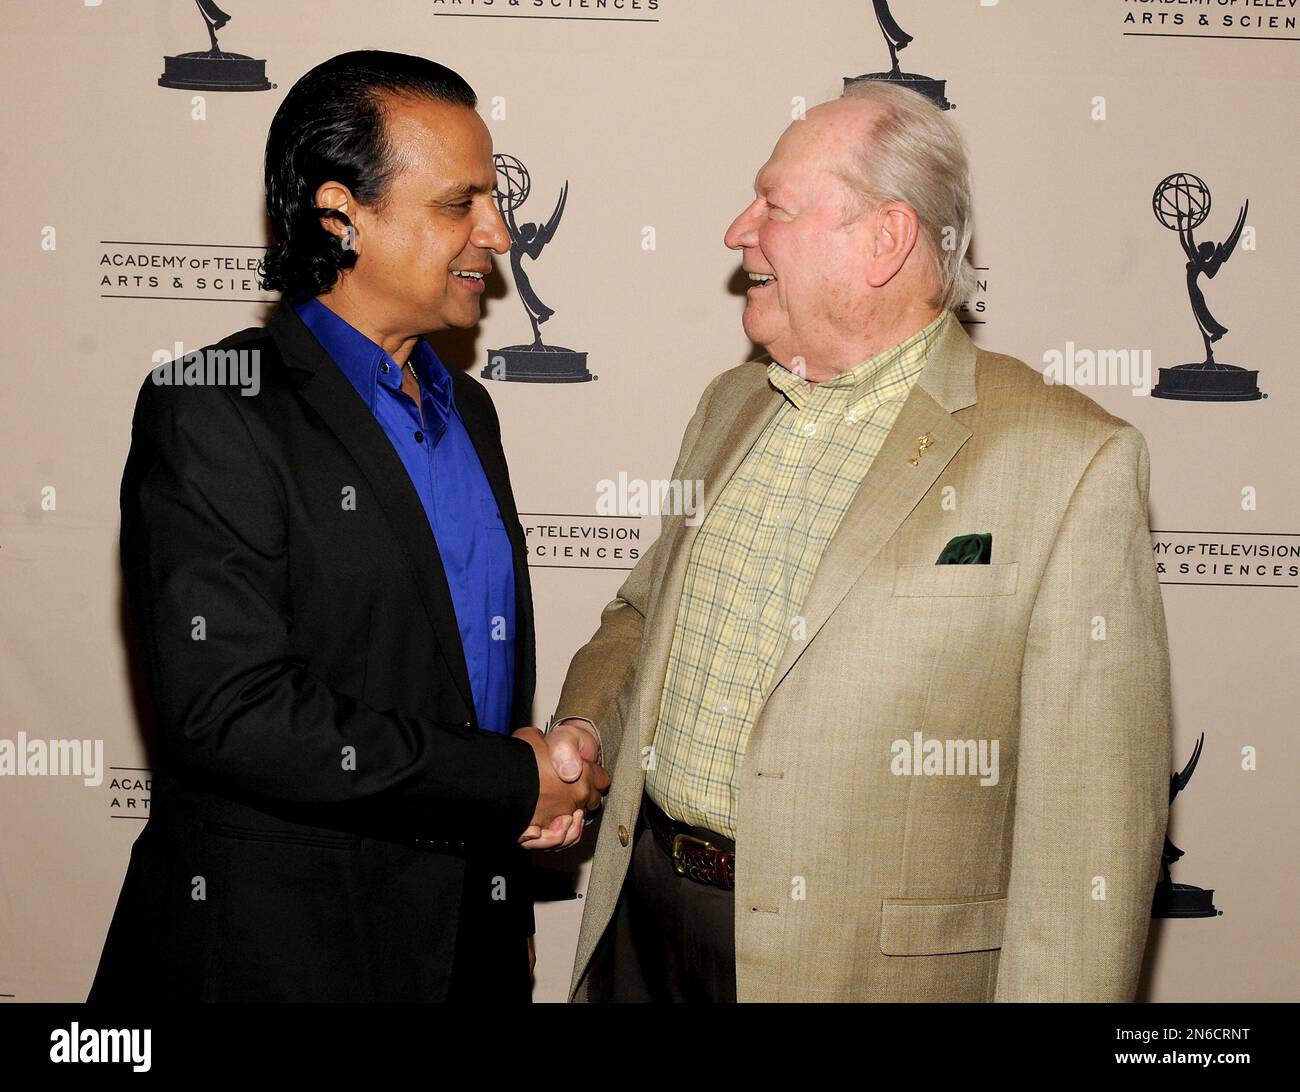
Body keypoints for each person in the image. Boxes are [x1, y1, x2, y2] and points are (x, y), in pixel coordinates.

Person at [546, 81, 1172, 1002]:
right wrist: (585, 726)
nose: (736, 231)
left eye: (775, 206)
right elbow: (644, 616)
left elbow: (1091, 832)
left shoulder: (1070, 460)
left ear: (885, 239)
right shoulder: (730, 404)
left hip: (858, 975)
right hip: (644, 924)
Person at [87, 50, 607, 1004]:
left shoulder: (469, 411)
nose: (498, 230)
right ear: (340, 215)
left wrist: (499, 902)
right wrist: (505, 779)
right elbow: (233, 712)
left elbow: (459, 683)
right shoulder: (212, 405)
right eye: (462, 203)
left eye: (493, 198)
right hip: (281, 953)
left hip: (468, 944)